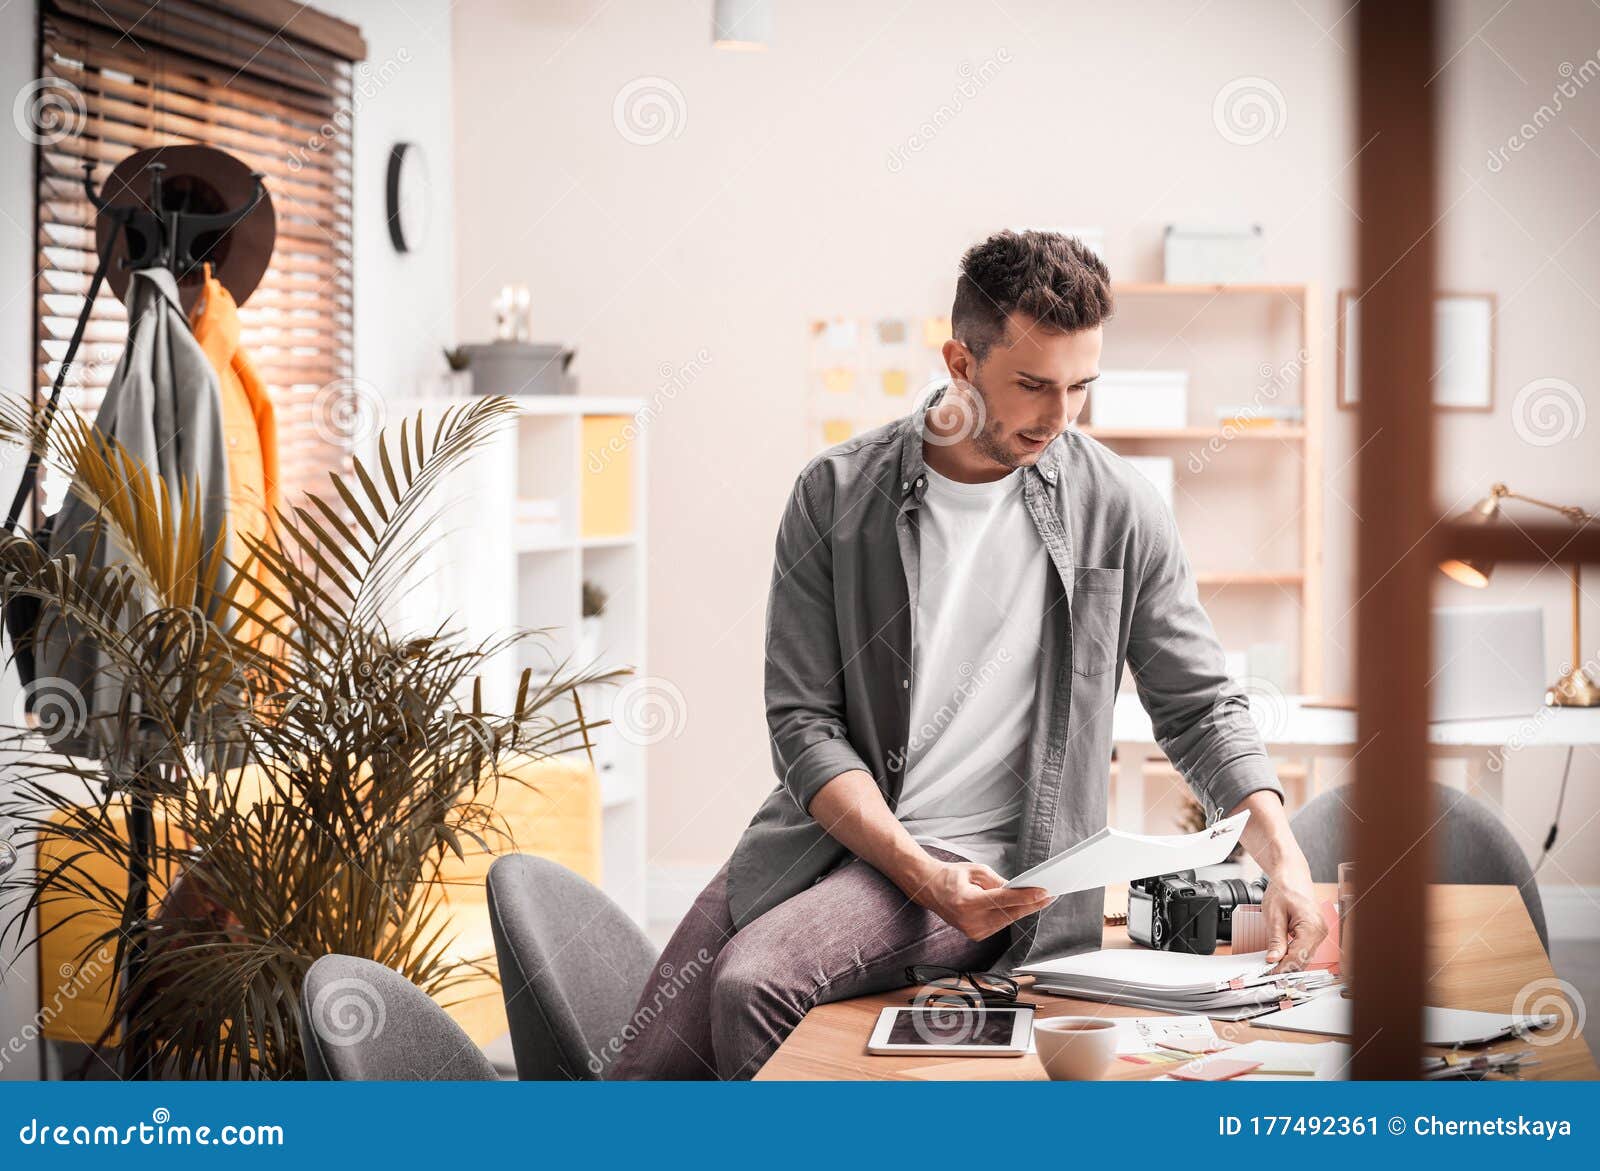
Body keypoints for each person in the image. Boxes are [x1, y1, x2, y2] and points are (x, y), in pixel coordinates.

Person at [609, 230, 1328, 1081]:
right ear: (958, 360)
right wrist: (910, 867)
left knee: (754, 981)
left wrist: (1284, 855)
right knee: (635, 1085)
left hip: (992, 867)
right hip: (822, 841)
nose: (1060, 418)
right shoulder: (836, 494)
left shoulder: (1121, 509)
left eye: (1081, 388)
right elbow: (803, 722)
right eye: (1032, 386)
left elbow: (1200, 703)